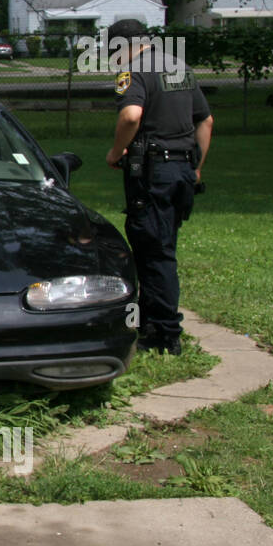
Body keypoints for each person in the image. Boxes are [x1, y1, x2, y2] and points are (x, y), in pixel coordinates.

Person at [104, 19, 214, 355]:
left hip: (153, 172)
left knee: (154, 251)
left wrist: (116, 150)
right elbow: (205, 121)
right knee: (161, 244)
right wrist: (196, 167)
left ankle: (164, 332)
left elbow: (131, 116)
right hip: (180, 171)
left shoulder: (134, 72)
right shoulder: (177, 67)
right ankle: (152, 320)